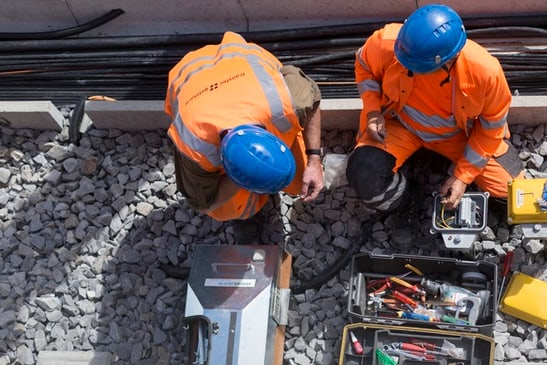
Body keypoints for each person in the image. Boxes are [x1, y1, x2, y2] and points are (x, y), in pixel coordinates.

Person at [346, 4, 523, 214]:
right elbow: (364, 67)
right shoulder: (388, 43)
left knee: (514, 194)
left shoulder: (485, 73)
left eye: (417, 68)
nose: (407, 68)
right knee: (364, 173)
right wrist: (374, 110)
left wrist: (462, 177)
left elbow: (490, 127)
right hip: (399, 126)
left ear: (449, 60)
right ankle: (409, 199)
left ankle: (439, 164)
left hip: (458, 137)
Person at [164, 31, 326, 243]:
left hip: (242, 59)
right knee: (223, 208)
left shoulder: (285, 102)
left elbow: (312, 96)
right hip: (188, 76)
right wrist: (244, 178)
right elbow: (205, 203)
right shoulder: (194, 146)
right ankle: (246, 214)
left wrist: (314, 160)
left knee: (299, 181)